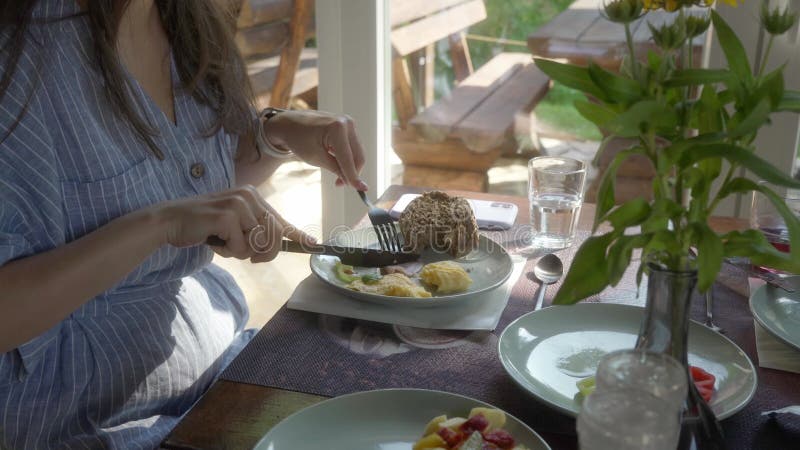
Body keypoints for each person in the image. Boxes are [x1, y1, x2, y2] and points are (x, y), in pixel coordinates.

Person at [0, 0, 367, 448]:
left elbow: (183, 173)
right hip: (85, 424)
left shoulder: (185, 16)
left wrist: (277, 135)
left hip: (216, 368)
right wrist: (161, 225)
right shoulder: (19, 52)